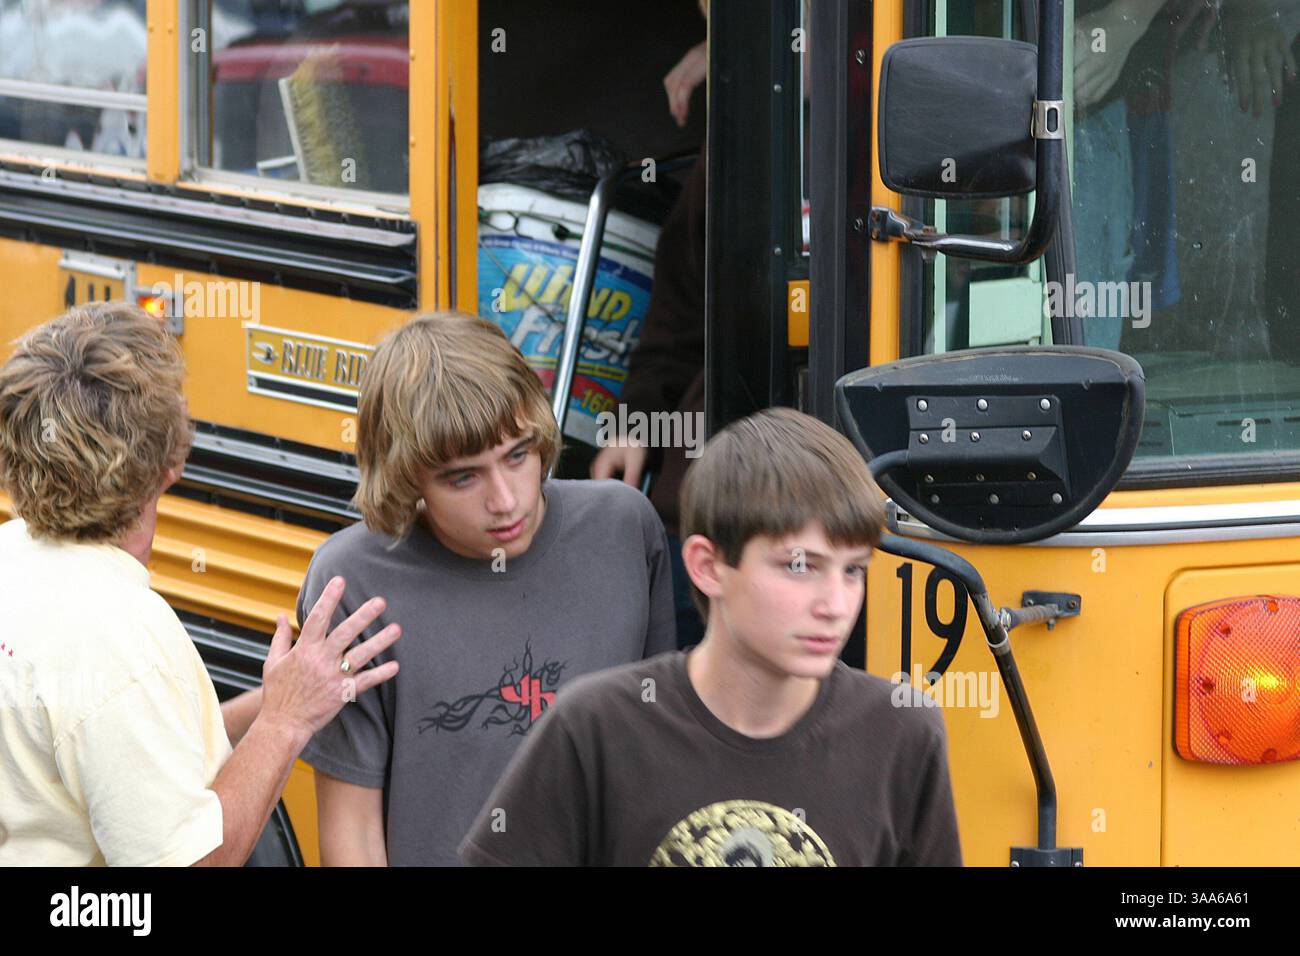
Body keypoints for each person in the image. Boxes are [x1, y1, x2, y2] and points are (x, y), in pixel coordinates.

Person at [461, 408, 962, 866]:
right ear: (708, 566)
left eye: (853, 570)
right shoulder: (594, 728)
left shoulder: (900, 732)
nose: (836, 604)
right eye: (800, 565)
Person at [0, 302, 398, 866]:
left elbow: (134, 751)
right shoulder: (117, 637)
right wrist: (284, 724)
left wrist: (285, 697)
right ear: (171, 463)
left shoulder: (13, 557)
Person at [301, 312, 676, 866]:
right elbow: (351, 830)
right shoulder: (354, 582)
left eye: (517, 456)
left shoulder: (625, 528)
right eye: (463, 477)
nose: (505, 499)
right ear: (407, 478)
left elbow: (660, 755)